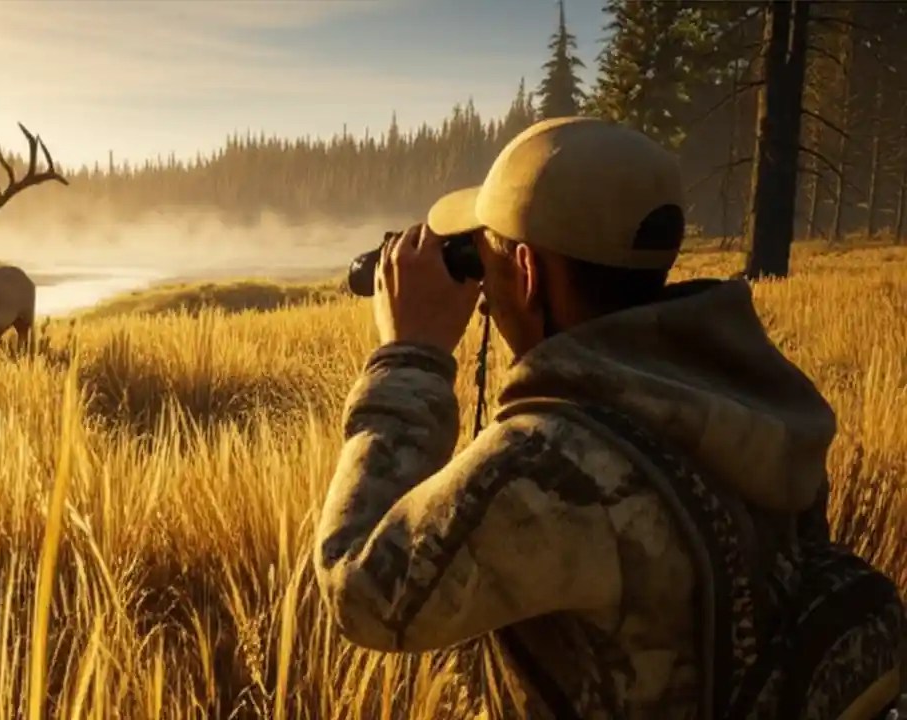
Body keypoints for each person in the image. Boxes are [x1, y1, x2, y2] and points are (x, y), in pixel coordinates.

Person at [312, 116, 905, 719]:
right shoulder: (755, 397)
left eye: (482, 257)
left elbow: (360, 592)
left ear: (526, 271)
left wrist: (410, 356)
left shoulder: (550, 464)